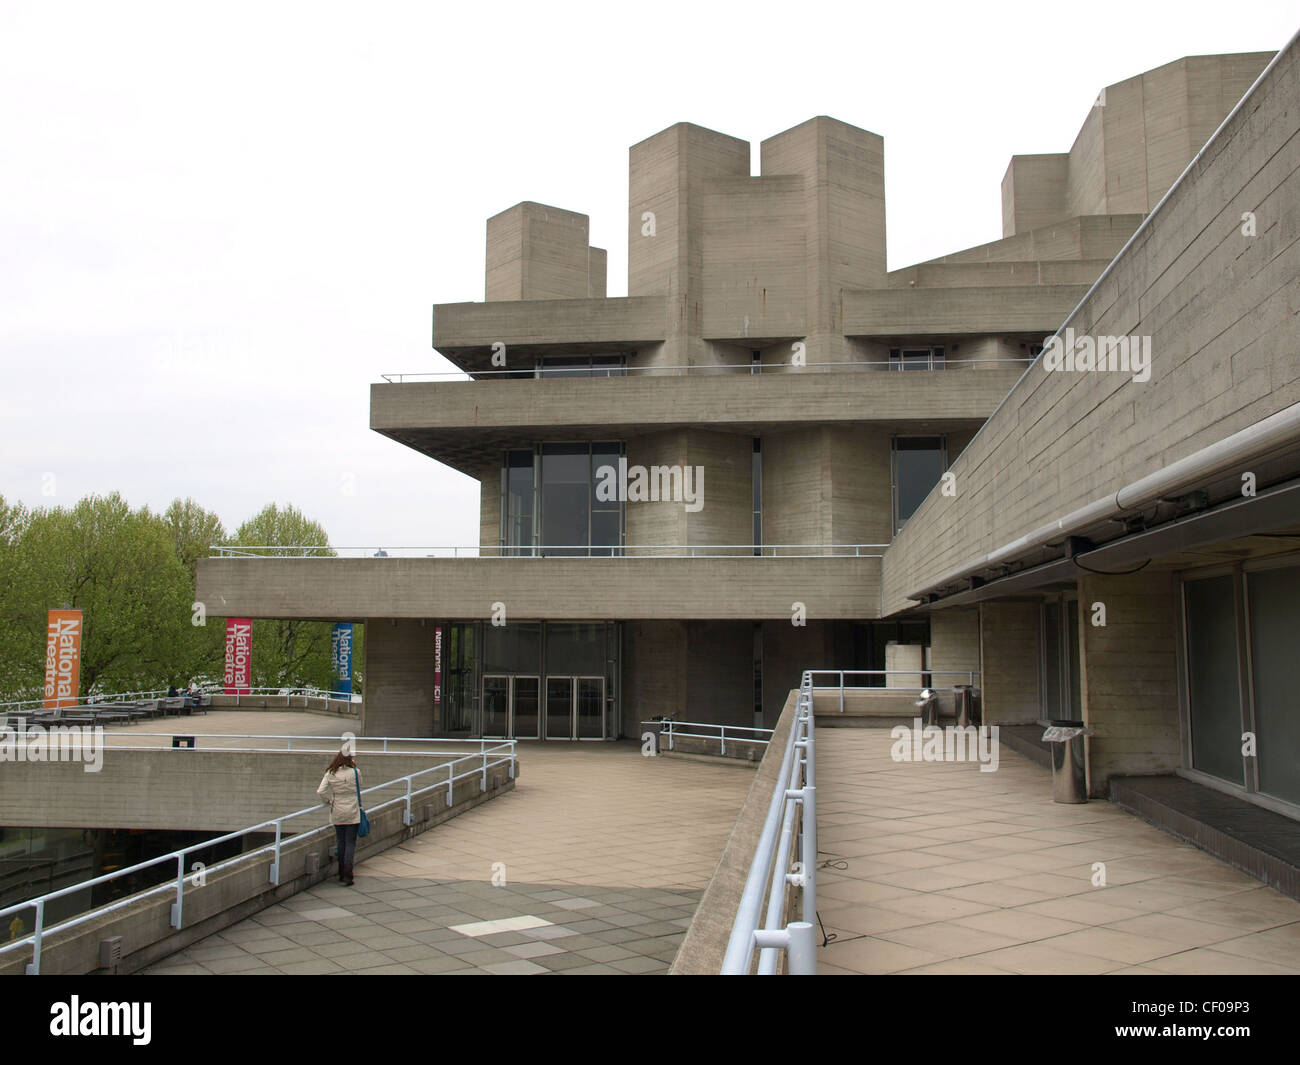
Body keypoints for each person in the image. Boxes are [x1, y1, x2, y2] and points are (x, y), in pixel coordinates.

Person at [317, 750, 362, 885]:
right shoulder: (355, 772)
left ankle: (341, 873)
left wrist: (328, 800)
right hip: (352, 810)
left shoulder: (331, 773)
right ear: (350, 760)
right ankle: (348, 875)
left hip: (337, 810)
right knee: (350, 843)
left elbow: (321, 791)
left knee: (341, 842)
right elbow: (360, 786)